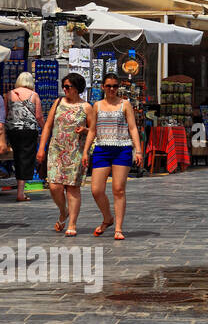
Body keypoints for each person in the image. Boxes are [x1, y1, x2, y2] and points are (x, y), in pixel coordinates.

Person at [82, 73, 143, 241]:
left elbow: (132, 128)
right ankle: (107, 217)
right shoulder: (97, 105)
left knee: (118, 189)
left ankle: (118, 227)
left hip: (122, 149)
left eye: (115, 86)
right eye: (108, 86)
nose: (111, 89)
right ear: (103, 87)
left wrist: (138, 150)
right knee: (96, 190)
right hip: (102, 148)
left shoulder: (125, 104)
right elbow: (92, 130)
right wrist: (86, 150)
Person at [37, 73, 89, 237]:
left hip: (75, 150)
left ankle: (72, 223)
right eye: (64, 86)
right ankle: (63, 211)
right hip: (56, 149)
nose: (65, 89)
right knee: (54, 186)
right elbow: (47, 126)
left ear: (77, 88)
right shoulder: (58, 102)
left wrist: (85, 130)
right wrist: (41, 148)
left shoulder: (87, 107)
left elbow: (94, 129)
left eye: (68, 87)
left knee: (73, 188)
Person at [4, 72, 44, 202]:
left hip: (12, 130)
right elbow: (38, 116)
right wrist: (45, 128)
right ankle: (21, 192)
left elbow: (4, 114)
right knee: (26, 158)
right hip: (28, 130)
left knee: (16, 157)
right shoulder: (34, 95)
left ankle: (19, 189)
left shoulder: (9, 94)